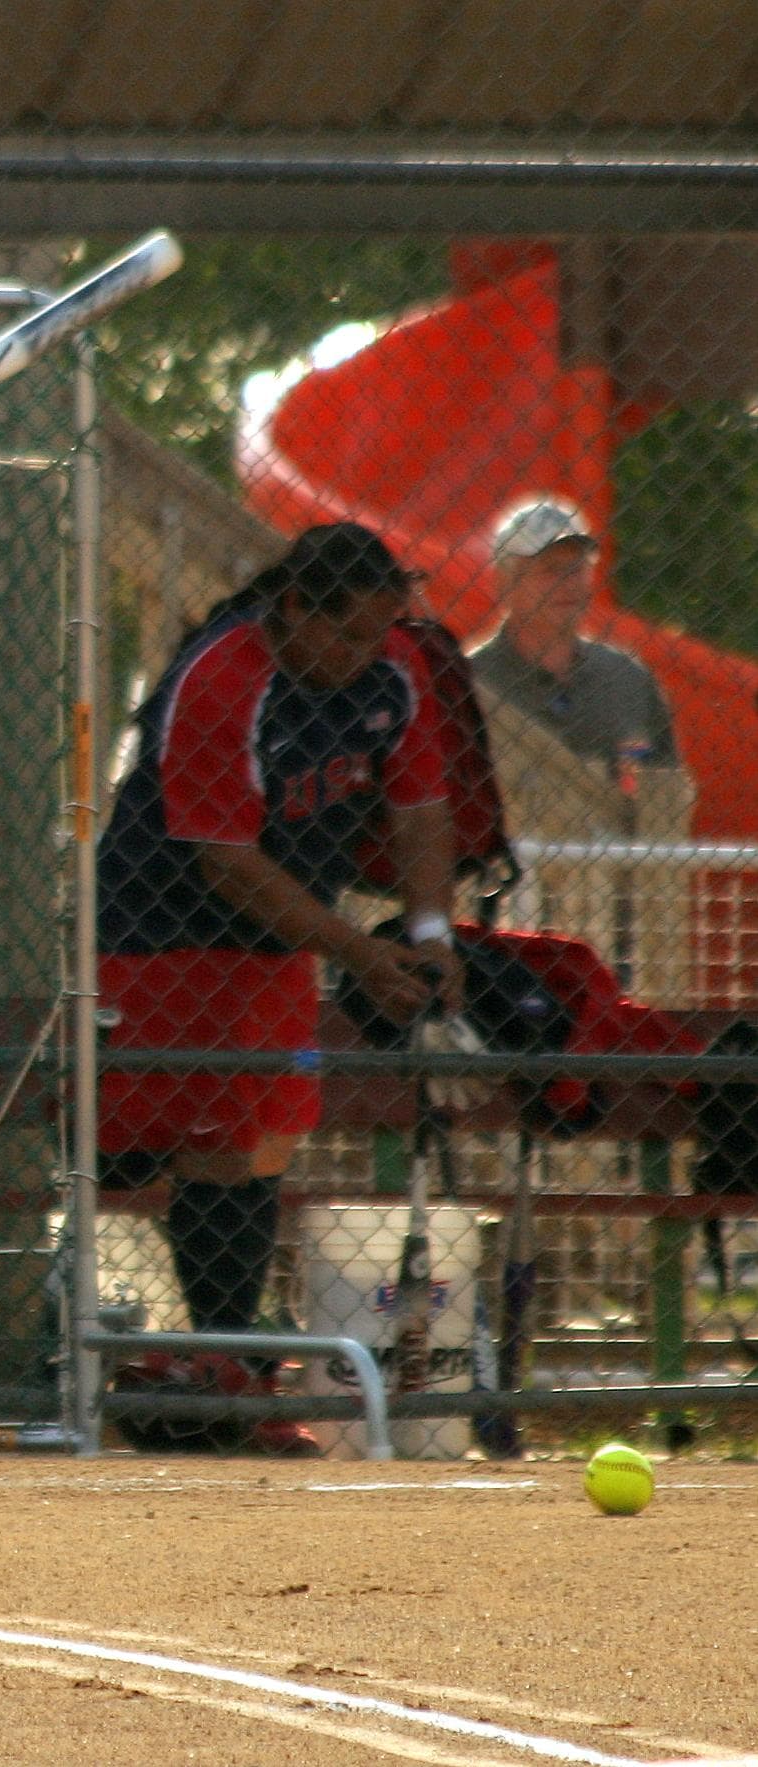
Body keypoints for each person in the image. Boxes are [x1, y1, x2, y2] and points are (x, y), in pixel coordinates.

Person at [97, 522, 464, 1455]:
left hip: (278, 942)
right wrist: (356, 951)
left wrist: (427, 931)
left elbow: (422, 805)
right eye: (346, 634)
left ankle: (229, 1373)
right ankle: (161, 1364)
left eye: (378, 633)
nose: (365, 653)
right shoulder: (223, 676)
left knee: (251, 1144)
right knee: (148, 1142)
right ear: (294, 608)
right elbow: (223, 859)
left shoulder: (392, 670)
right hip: (157, 934)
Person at [466, 497, 678, 772]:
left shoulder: (626, 678)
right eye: (550, 569)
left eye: (577, 569)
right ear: (505, 582)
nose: (568, 584)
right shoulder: (469, 683)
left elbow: (666, 786)